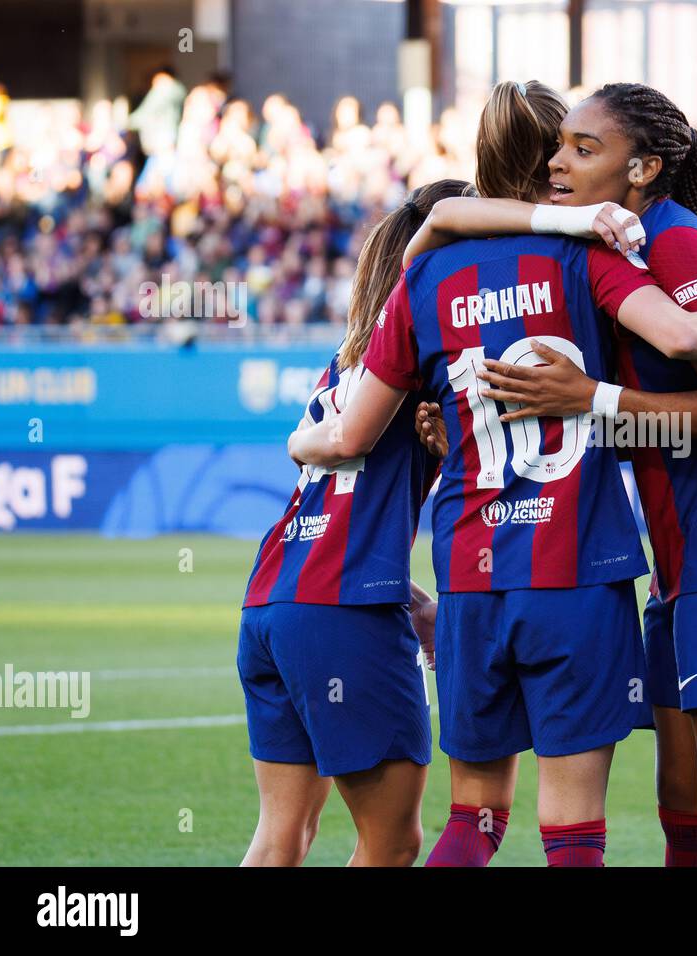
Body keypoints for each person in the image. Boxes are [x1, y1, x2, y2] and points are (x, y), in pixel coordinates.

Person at [290, 81, 697, 868]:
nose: (566, 162)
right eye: (560, 148)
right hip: (646, 566)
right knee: (681, 816)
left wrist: (592, 403)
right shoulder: (592, 256)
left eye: (584, 148)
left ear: (642, 169)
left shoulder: (662, 243)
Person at [237, 181, 467, 866]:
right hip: (344, 610)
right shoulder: (426, 356)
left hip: (272, 602)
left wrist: (409, 593)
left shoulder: (342, 366)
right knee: (392, 842)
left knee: (281, 838)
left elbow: (343, 494)